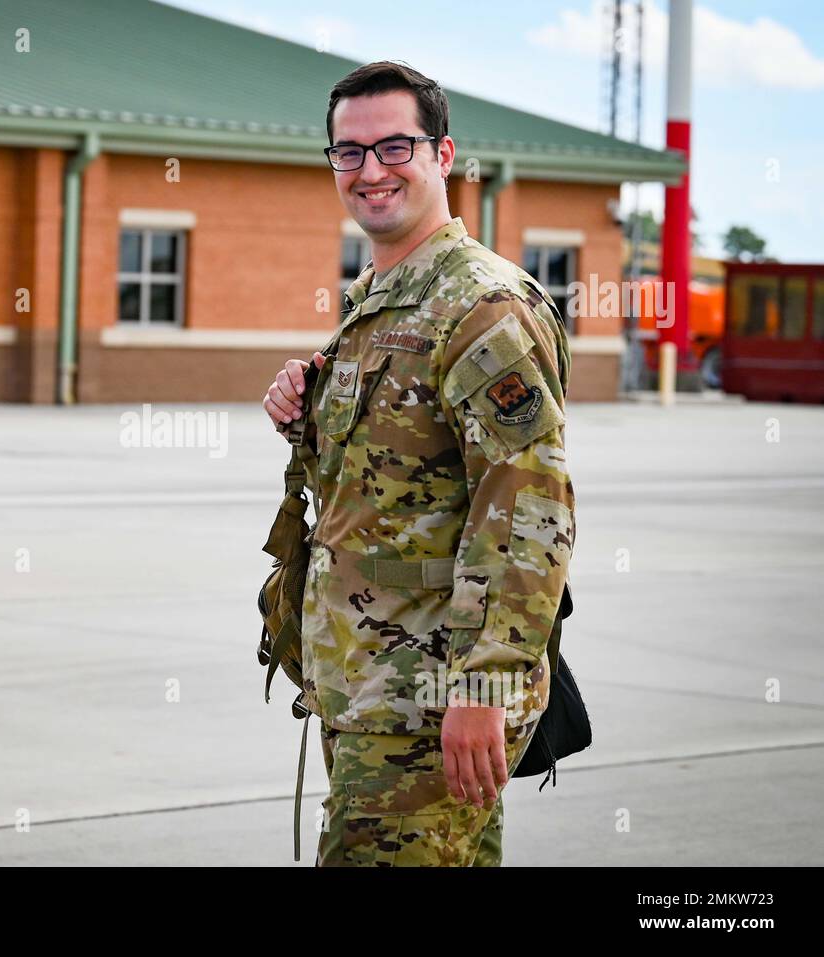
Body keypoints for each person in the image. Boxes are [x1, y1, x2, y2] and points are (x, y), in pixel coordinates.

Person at [262, 60, 575, 867]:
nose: (370, 170)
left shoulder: (480, 307)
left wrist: (484, 688)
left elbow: (529, 510)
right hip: (366, 684)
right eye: (349, 152)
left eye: (394, 146)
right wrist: (304, 406)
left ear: (443, 154)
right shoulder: (382, 298)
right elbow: (396, 474)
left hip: (431, 697)